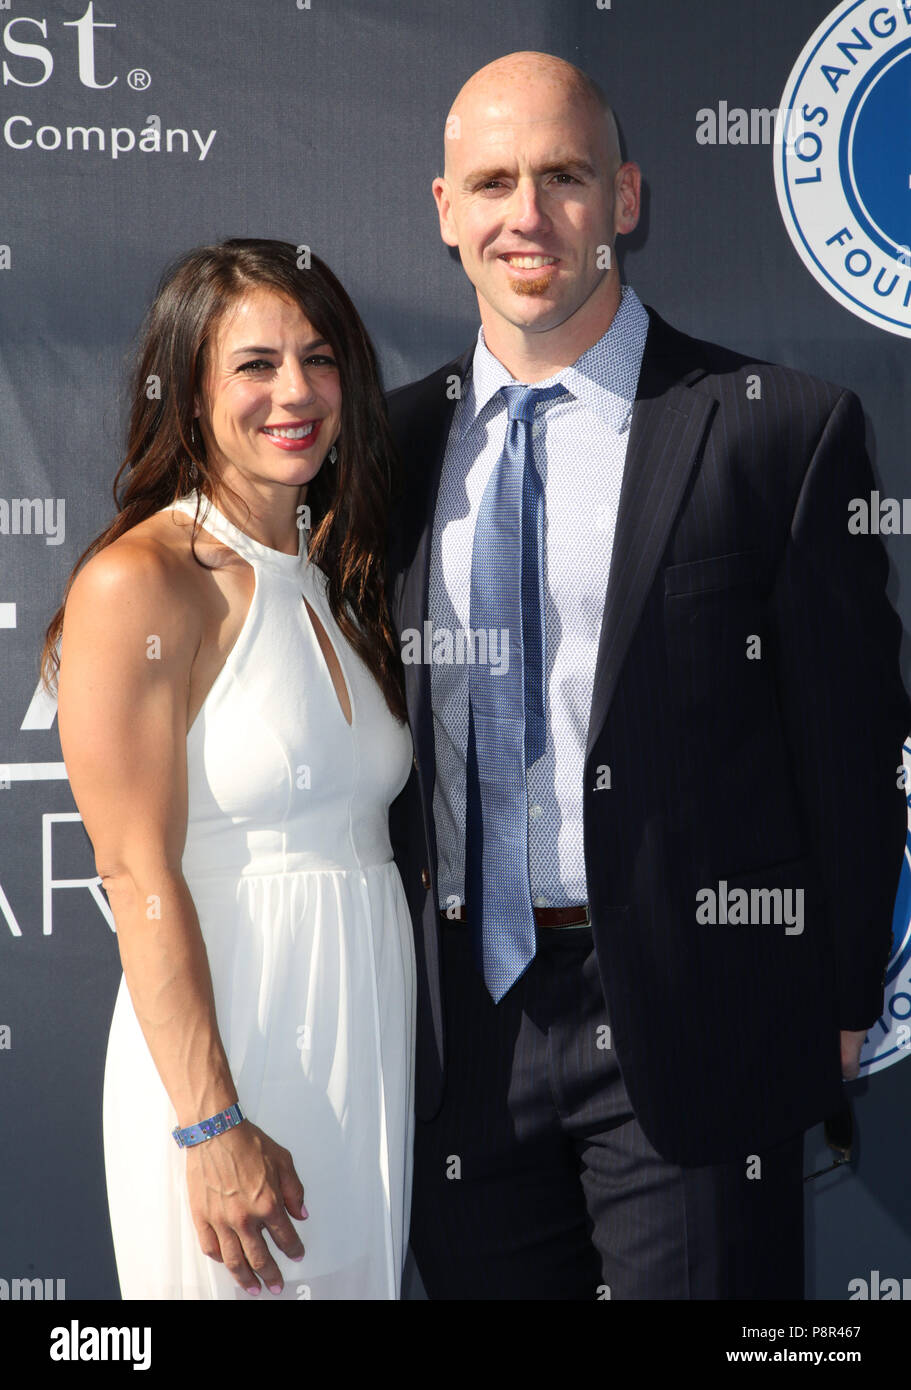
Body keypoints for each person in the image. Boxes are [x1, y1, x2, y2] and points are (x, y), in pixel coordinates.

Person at [385, 52, 911, 1299]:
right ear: (444, 210)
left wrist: (839, 997)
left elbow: (849, 744)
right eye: (493, 181)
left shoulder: (775, 425)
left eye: (562, 176)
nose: (527, 214)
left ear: (624, 196)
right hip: (458, 1034)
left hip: (698, 1018)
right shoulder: (384, 448)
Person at [44, 238, 415, 1300]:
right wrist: (211, 1124)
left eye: (319, 357)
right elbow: (133, 870)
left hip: (365, 1040)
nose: (293, 391)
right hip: (232, 1056)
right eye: (254, 365)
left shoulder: (335, 573)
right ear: (190, 389)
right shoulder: (141, 582)